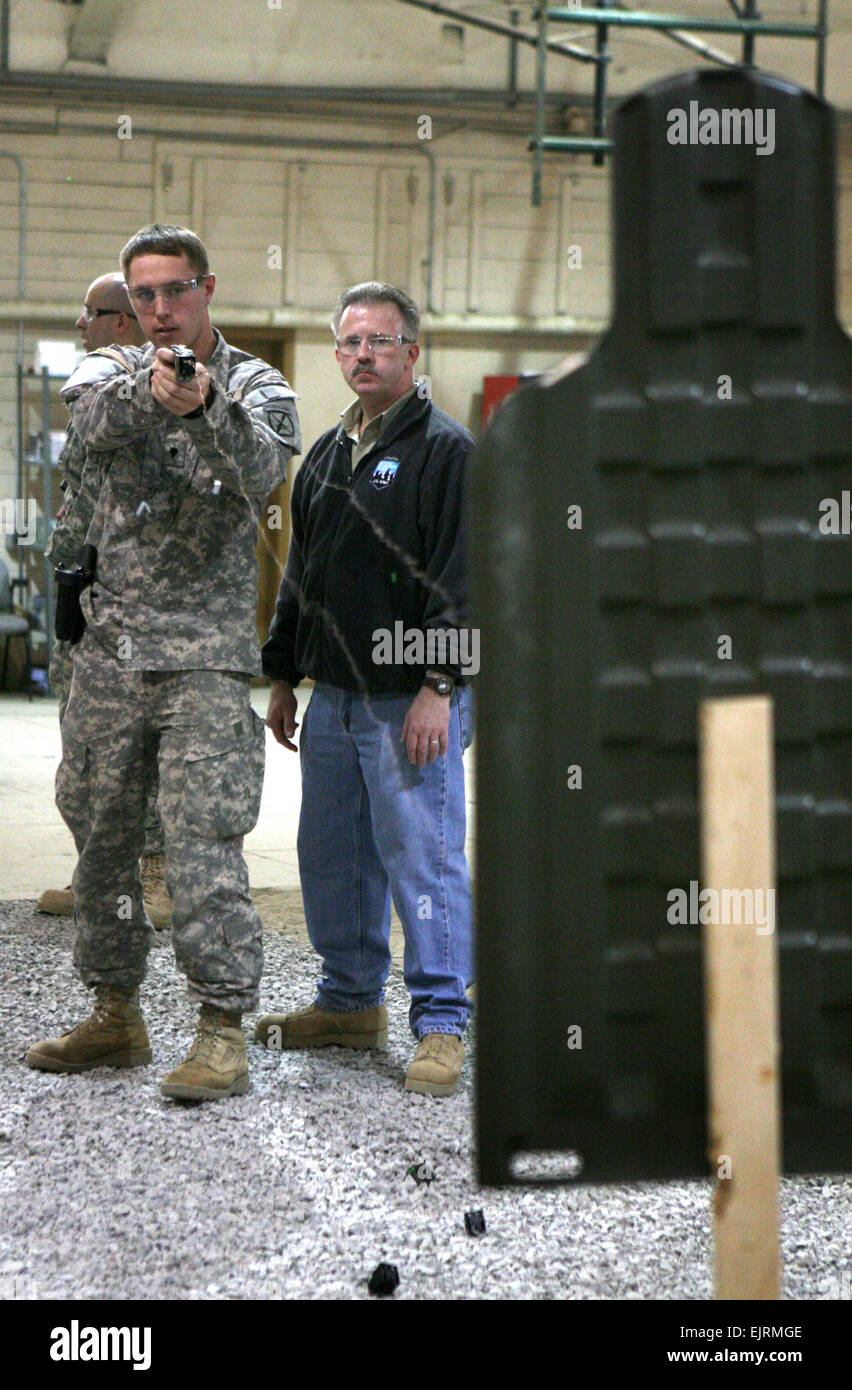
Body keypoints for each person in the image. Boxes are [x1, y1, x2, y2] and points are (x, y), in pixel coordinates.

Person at [26, 224, 301, 1102]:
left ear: (207, 287)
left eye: (173, 291)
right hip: (110, 657)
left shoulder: (257, 384)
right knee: (102, 849)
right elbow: (93, 421)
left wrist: (204, 404)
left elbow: (261, 468)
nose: (156, 310)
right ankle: (116, 1015)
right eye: (141, 296)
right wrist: (158, 394)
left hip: (205, 660)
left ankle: (221, 1029)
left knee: (202, 850)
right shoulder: (111, 369)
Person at [255, 281, 475, 1097]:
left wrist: (439, 688)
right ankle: (349, 1001)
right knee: (334, 857)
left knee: (422, 857)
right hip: (336, 697)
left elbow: (463, 578)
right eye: (349, 342)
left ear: (412, 354)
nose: (362, 355)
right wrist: (283, 672)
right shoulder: (323, 454)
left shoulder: (445, 452)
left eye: (380, 341)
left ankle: (443, 1020)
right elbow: (300, 575)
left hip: (407, 700)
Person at [38, 274, 173, 929]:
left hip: (128, 602)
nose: (79, 325)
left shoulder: (147, 398)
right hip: (79, 589)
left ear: (122, 322)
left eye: (89, 314)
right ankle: (100, 874)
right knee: (85, 747)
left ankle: (155, 876)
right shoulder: (94, 395)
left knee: (136, 747)